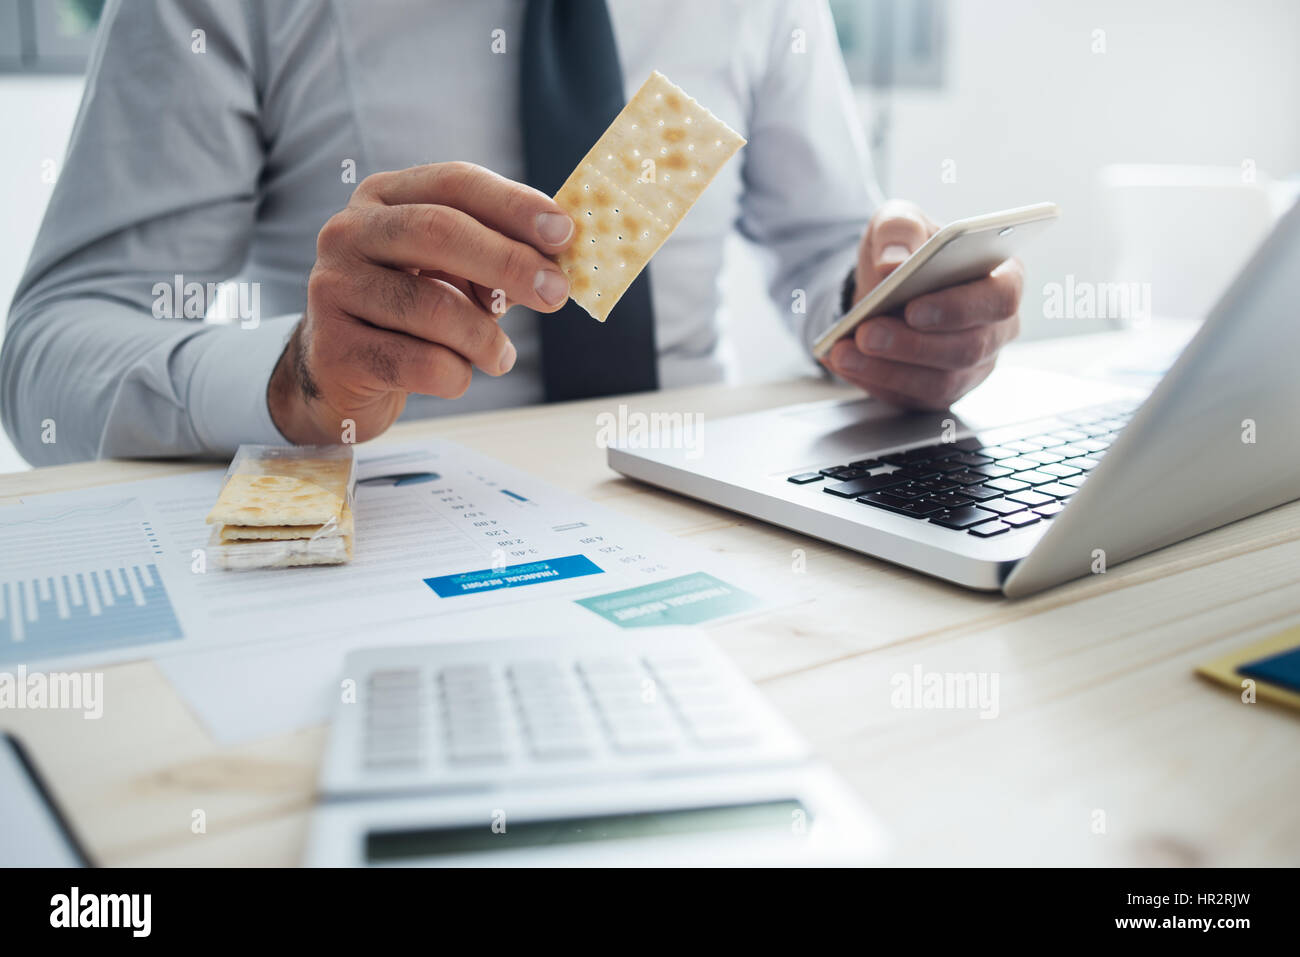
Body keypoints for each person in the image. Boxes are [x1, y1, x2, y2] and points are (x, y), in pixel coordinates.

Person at [1, 0, 1022, 466]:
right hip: (396, 529)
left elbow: (823, 250)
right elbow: (49, 349)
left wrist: (889, 314)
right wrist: (293, 378)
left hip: (716, 506)